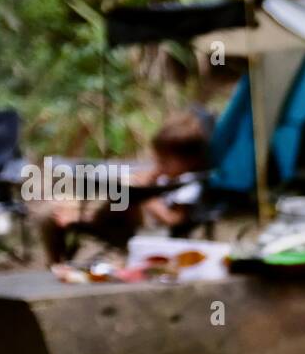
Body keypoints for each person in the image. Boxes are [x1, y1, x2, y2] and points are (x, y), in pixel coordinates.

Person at [40, 110, 210, 263]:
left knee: (127, 193)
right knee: (48, 214)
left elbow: (174, 219)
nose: (160, 165)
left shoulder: (188, 185)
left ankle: (84, 216)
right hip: (118, 221)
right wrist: (148, 180)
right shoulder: (165, 178)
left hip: (147, 233)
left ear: (190, 161)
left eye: (165, 161)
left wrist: (144, 196)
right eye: (158, 160)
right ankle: (57, 262)